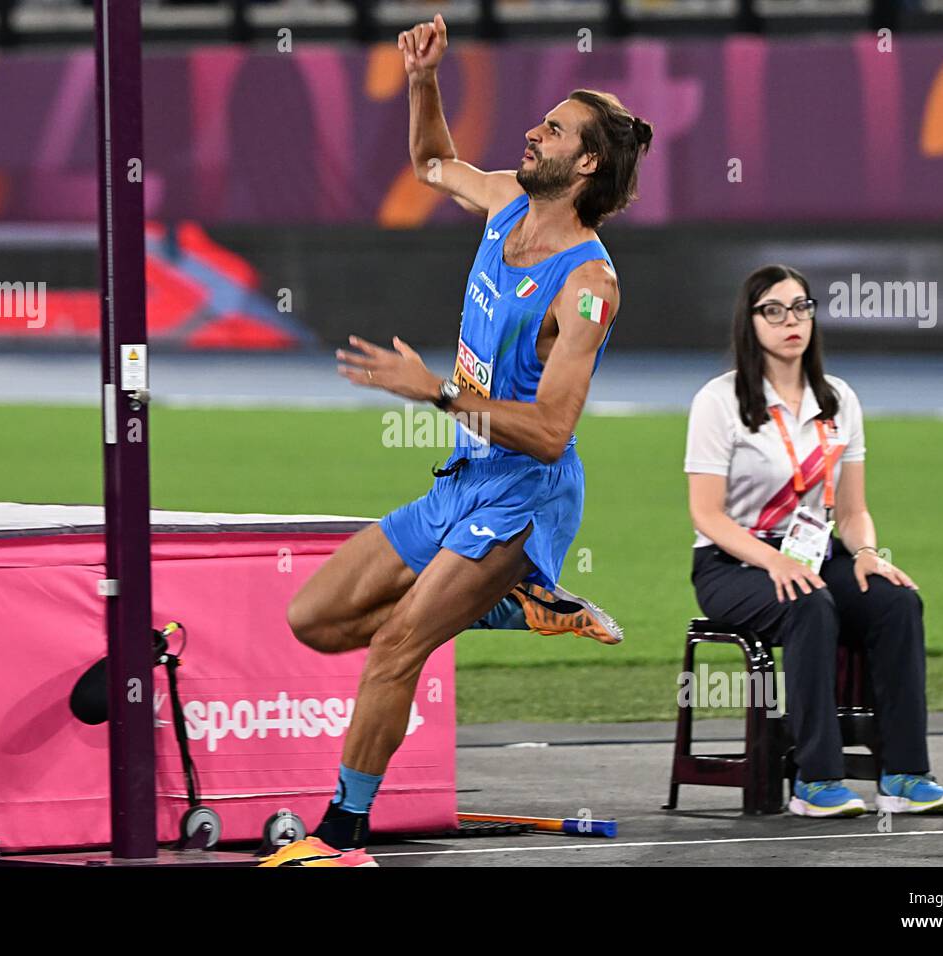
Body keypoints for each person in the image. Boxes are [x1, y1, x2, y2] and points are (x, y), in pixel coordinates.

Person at [259, 13, 652, 866]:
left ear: (584, 163)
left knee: (400, 642)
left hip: (523, 497)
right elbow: (435, 163)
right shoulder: (506, 198)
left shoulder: (587, 285)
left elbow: (551, 434)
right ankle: (513, 605)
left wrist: (437, 390)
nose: (531, 132)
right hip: (464, 480)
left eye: (552, 129)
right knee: (316, 619)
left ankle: (339, 836)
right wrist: (422, 78)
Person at [684, 264, 943, 818]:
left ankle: (904, 774)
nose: (792, 321)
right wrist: (773, 562)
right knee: (807, 603)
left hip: (814, 553)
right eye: (775, 310)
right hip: (732, 563)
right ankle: (815, 781)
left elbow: (854, 510)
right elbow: (707, 515)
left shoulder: (838, 400)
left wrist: (865, 555)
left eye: (802, 308)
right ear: (751, 321)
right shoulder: (718, 402)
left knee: (897, 602)